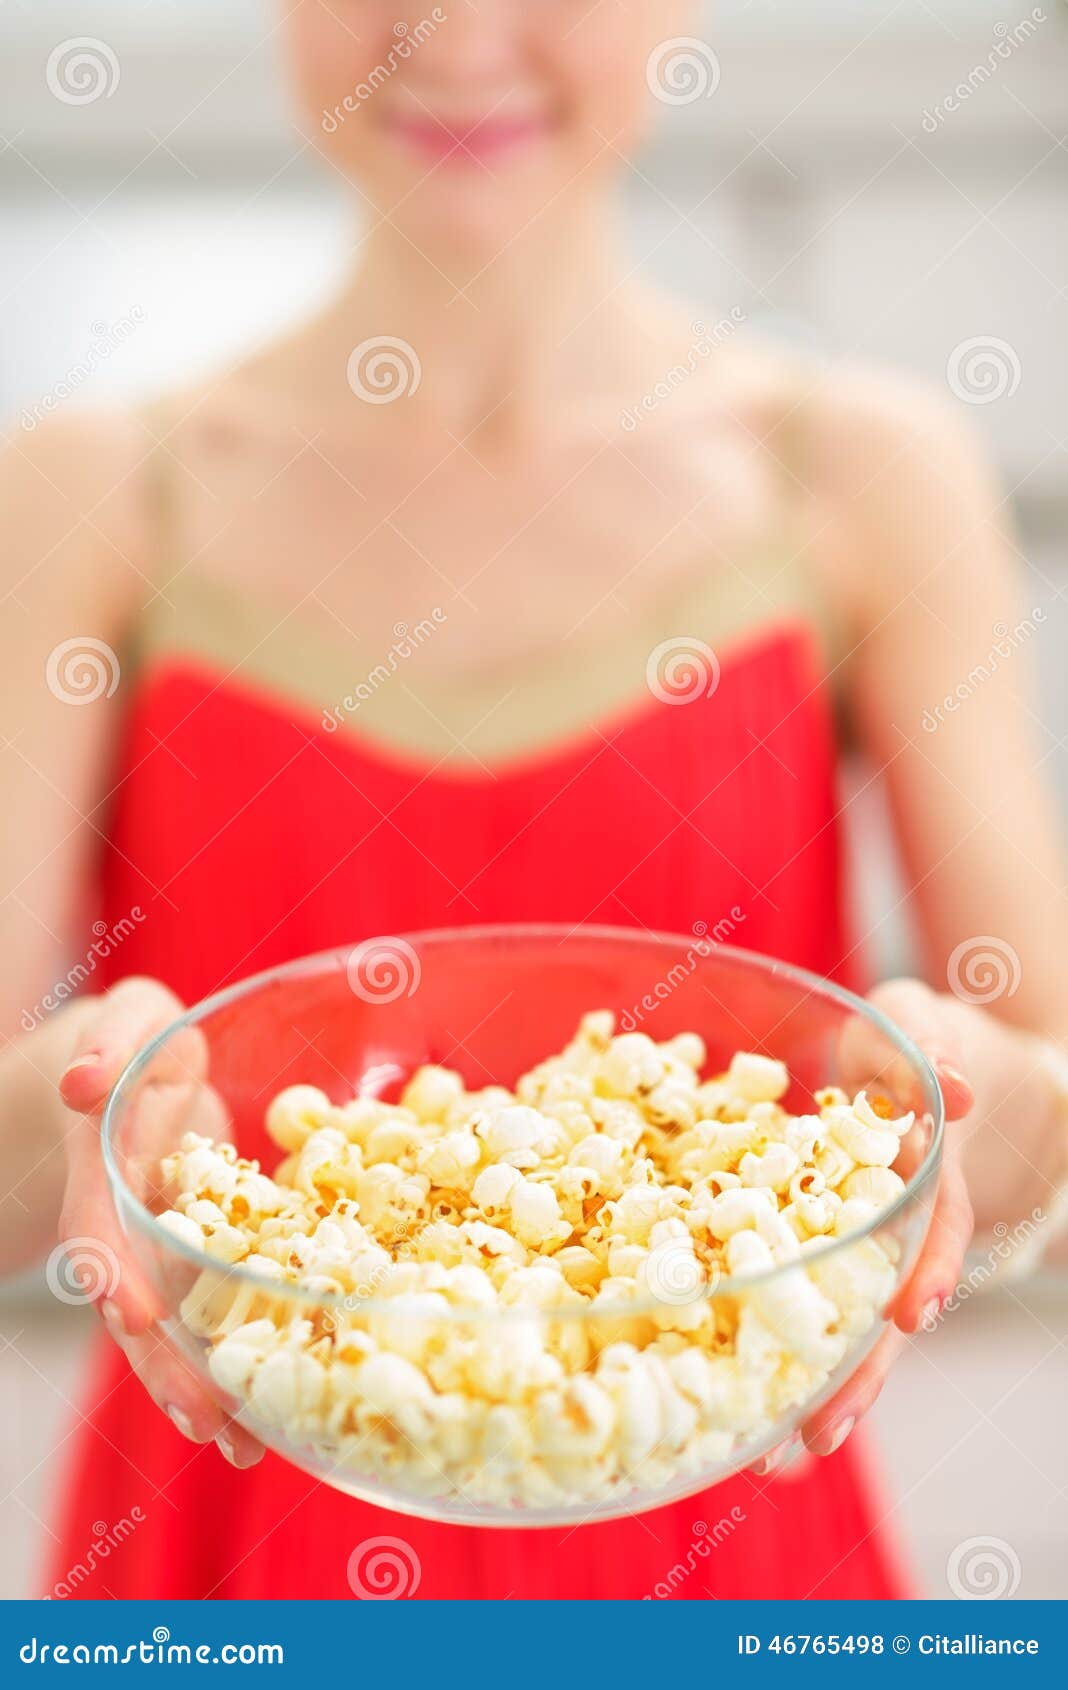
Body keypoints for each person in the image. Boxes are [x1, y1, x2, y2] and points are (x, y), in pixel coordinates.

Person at [2, 1, 1065, 1600]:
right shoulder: (93, 492)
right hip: (232, 1557)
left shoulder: (861, 476)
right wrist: (85, 1106)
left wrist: (985, 1120)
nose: (459, 34)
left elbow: (1046, 1102)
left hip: (729, 1553)